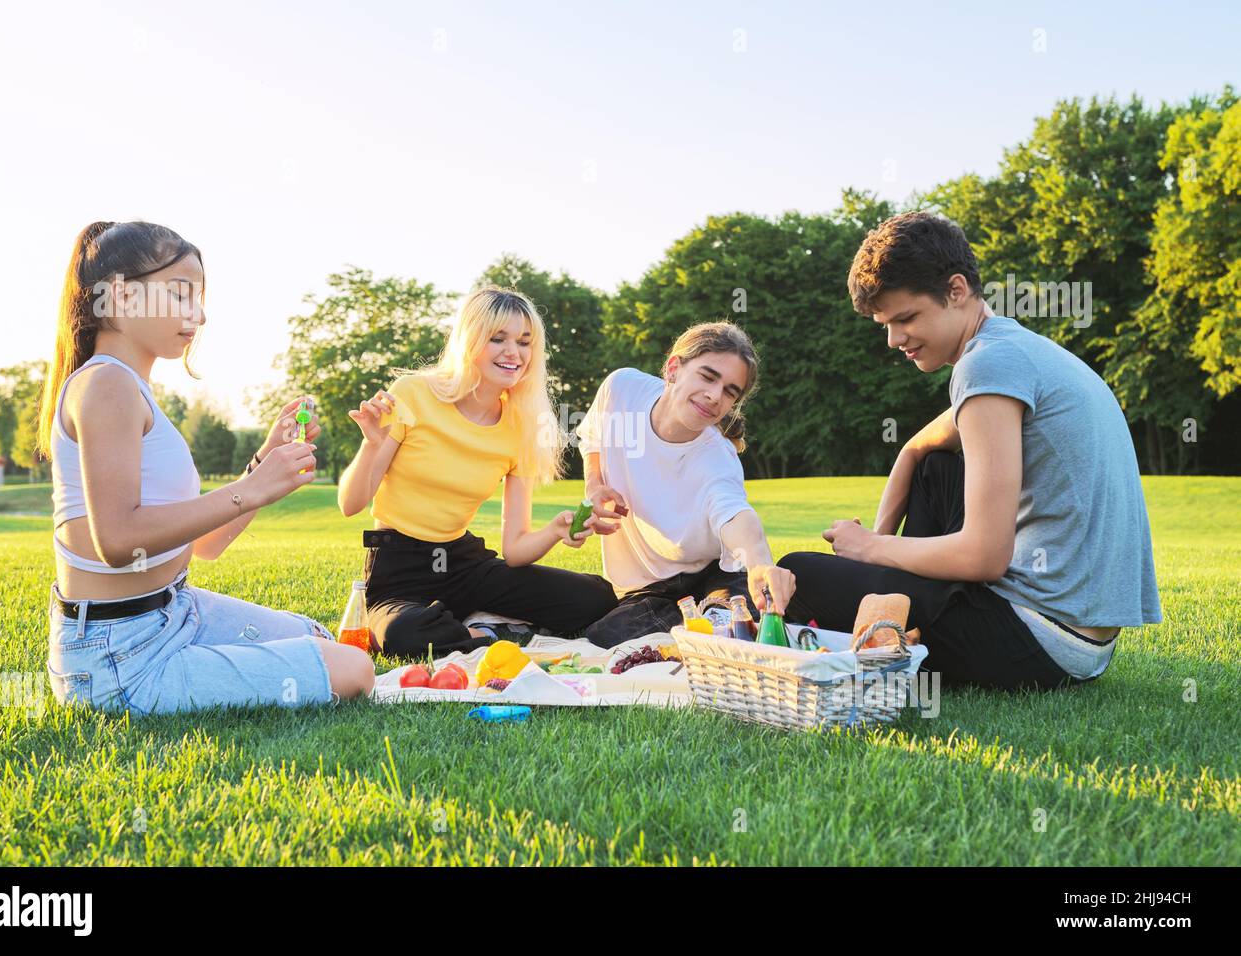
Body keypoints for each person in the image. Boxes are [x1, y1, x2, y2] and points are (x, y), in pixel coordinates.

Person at [777, 211, 1161, 689]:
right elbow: (917, 450)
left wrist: (871, 546)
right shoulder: (1015, 349)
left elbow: (985, 557)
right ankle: (900, 610)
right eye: (885, 325)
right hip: (1084, 640)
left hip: (1041, 641)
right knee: (936, 469)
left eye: (906, 318)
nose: (895, 339)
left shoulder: (987, 365)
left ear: (956, 290)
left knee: (796, 573)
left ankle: (895, 631)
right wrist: (874, 555)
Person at [41, 222, 375, 715]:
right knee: (354, 670)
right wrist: (253, 489)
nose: (198, 314)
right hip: (122, 656)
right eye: (180, 295)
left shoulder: (129, 387)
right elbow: (117, 542)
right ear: (119, 297)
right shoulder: (106, 385)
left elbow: (206, 545)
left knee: (322, 639)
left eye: (199, 297)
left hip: (175, 611)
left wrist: (261, 463)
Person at [337, 286, 618, 657]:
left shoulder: (523, 425)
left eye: (524, 342)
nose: (513, 353)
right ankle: (478, 628)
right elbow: (351, 503)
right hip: (399, 569)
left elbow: (514, 551)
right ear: (469, 341)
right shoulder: (413, 393)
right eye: (497, 338)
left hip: (463, 563)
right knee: (406, 635)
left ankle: (466, 620)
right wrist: (371, 445)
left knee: (594, 598)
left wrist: (554, 530)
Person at [575, 322, 796, 647]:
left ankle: (711, 622)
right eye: (708, 377)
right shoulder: (622, 389)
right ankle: (695, 624)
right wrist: (594, 486)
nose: (714, 396)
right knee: (602, 638)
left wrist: (760, 562)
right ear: (674, 368)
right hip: (649, 589)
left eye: (730, 391)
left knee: (728, 624)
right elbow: (592, 438)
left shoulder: (716, 458)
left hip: (717, 574)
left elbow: (736, 516)